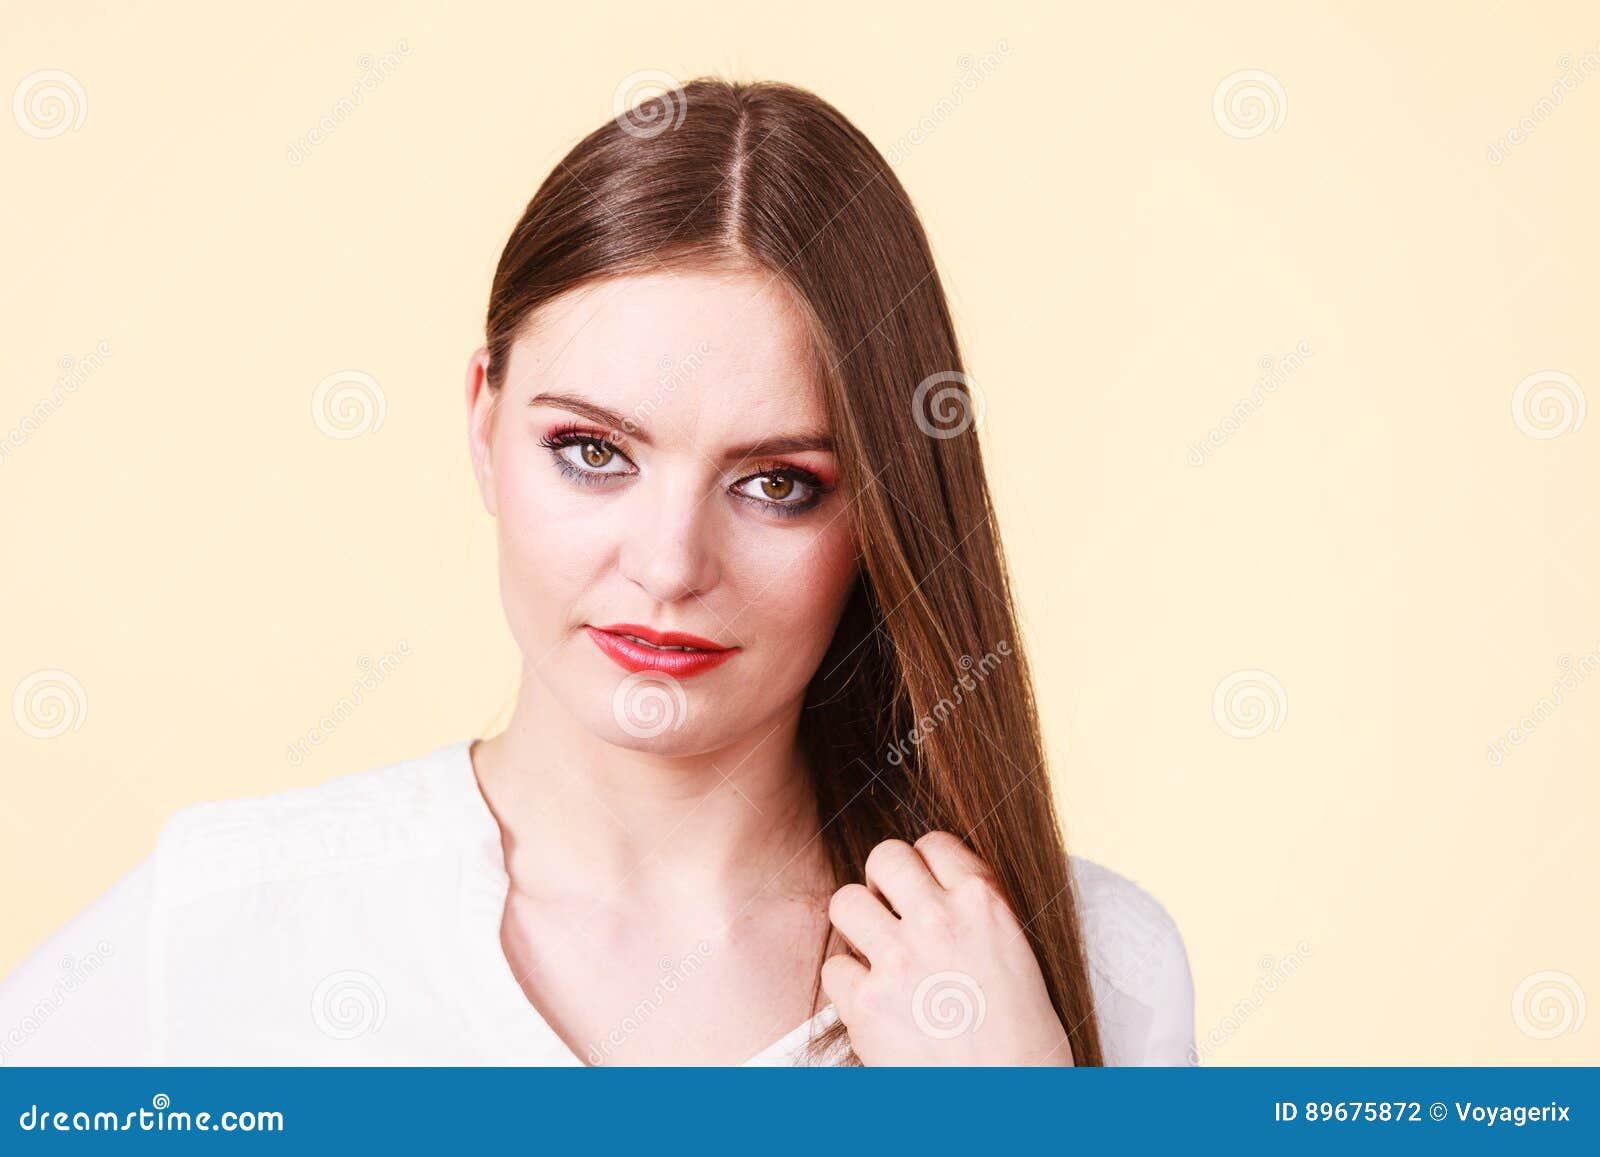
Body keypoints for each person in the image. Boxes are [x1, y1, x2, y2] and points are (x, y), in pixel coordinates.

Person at [0, 78, 1193, 1067]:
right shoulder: (224, 926)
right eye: (592, 452)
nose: (670, 564)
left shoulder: (1087, 968)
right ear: (484, 422)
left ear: (882, 507)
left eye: (779, 481)